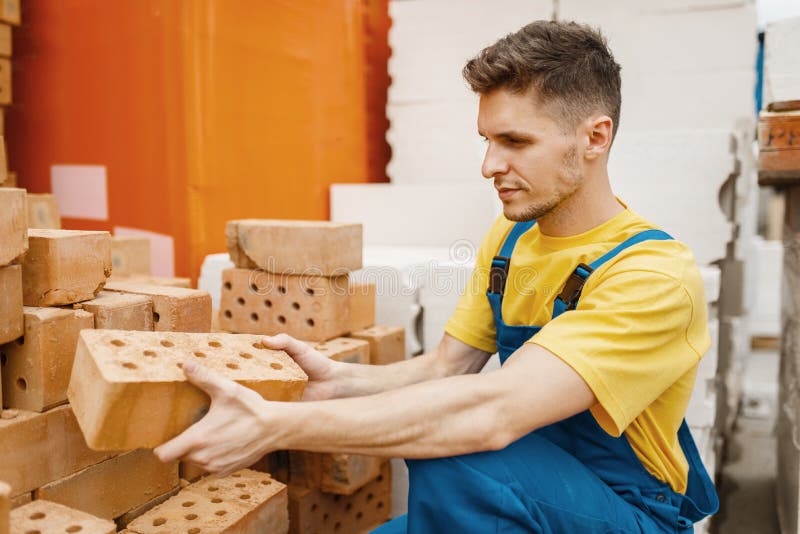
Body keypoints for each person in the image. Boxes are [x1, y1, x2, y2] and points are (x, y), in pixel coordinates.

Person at [155, 20, 719, 533]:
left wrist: (275, 424)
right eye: (487, 141)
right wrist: (339, 383)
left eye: (515, 142)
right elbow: (448, 366)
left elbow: (491, 413)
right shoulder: (513, 238)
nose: (490, 166)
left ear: (595, 138)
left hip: (624, 511)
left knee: (459, 452)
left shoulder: (652, 277)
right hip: (527, 488)